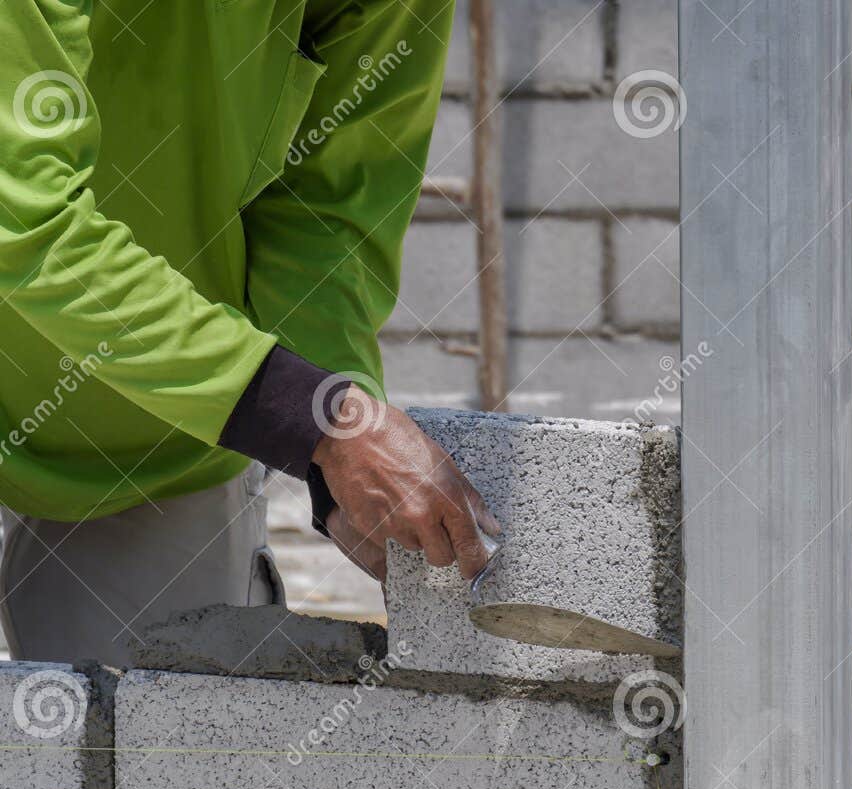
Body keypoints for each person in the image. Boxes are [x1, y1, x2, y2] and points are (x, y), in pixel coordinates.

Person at [0, 0, 494, 666]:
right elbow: (26, 225)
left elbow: (325, 215)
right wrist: (317, 422)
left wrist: (333, 436)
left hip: (152, 429)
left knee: (173, 749)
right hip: (142, 371)